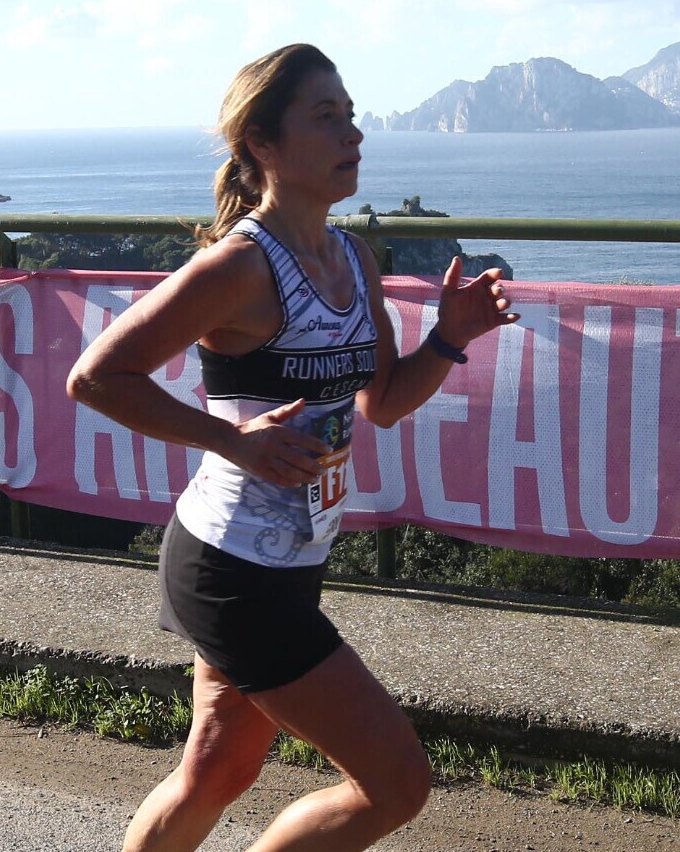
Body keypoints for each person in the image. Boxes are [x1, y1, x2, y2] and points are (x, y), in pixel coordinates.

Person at [68, 44, 517, 852]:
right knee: (396, 784)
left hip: (290, 557)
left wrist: (448, 338)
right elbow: (97, 377)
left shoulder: (352, 258)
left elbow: (382, 402)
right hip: (233, 567)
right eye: (326, 117)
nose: (354, 135)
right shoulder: (239, 267)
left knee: (217, 772)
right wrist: (229, 439)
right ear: (262, 147)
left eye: (351, 116)